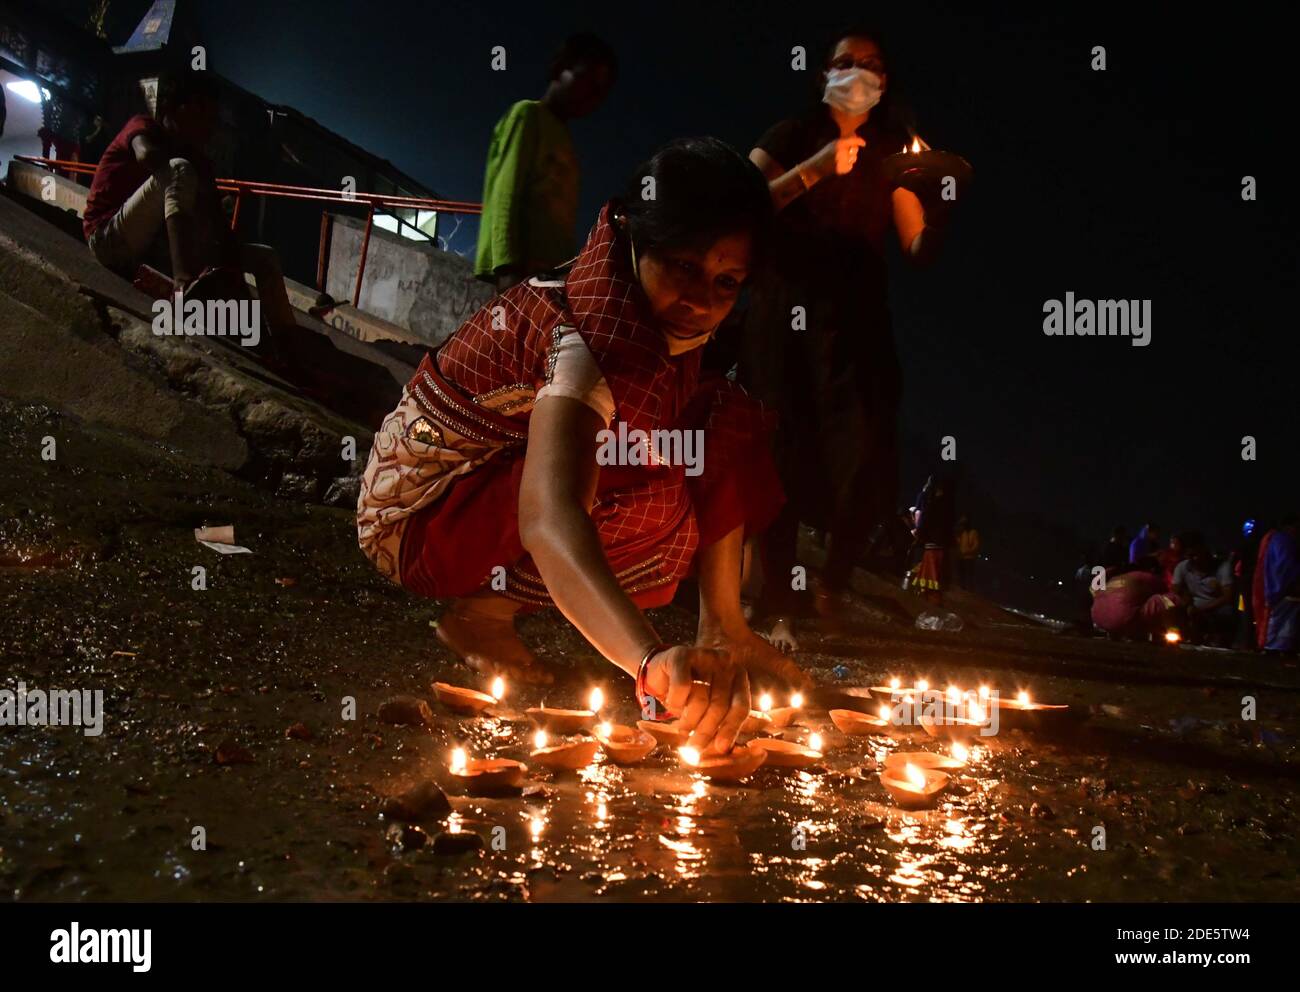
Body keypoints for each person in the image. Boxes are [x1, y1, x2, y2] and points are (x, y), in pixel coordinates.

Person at [358, 139, 809, 756]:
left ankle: (725, 625)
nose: (703, 301)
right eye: (682, 267)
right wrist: (648, 661)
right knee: (659, 492)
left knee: (725, 421)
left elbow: (749, 214)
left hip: (480, 497)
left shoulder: (630, 293)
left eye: (727, 282)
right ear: (636, 238)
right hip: (417, 524)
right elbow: (550, 515)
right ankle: (479, 615)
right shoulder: (587, 346)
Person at [741, 25, 952, 637]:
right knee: (777, 442)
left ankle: (833, 581)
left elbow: (914, 240)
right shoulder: (791, 135)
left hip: (856, 316)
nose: (860, 73)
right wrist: (813, 169)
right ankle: (776, 589)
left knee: (864, 441)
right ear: (824, 73)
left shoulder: (893, 153)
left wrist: (942, 206)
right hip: (784, 308)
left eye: (873, 65)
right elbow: (745, 202)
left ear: (886, 82)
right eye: (846, 62)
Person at [82, 71, 298, 338]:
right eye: (203, 113)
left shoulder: (200, 161)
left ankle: (287, 338)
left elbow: (221, 232)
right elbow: (145, 154)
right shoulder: (145, 127)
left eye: (213, 118)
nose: (210, 126)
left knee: (264, 256)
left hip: (149, 250)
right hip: (109, 239)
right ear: (179, 108)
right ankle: (182, 285)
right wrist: (187, 172)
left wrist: (246, 307)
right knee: (178, 170)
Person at [474, 34, 617, 292]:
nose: (592, 96)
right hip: (519, 272)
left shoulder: (566, 140)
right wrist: (507, 267)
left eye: (600, 91)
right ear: (560, 68)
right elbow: (506, 193)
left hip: (549, 273)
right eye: (586, 79)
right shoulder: (528, 115)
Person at [1170, 533, 1235, 646]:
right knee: (1171, 606)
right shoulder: (1183, 567)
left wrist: (1203, 609)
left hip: (1215, 607)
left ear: (1204, 550)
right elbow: (1175, 590)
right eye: (1189, 555)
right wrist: (1188, 602)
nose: (1193, 559)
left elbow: (1228, 596)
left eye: (1195, 555)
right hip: (1193, 607)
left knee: (1227, 612)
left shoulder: (1223, 567)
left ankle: (1218, 639)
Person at [1256, 513, 1300, 654]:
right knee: (1283, 623)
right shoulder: (1283, 540)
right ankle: (1276, 649)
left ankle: (1275, 648)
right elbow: (1285, 565)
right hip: (1283, 589)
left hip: (1276, 588)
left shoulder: (1274, 539)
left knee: (1281, 623)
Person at [956, 514, 980, 590]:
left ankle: (970, 589)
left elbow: (976, 545)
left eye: (964, 524)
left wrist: (968, 551)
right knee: (961, 574)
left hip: (969, 558)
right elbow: (958, 543)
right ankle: (962, 587)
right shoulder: (962, 533)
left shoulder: (973, 532)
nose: (963, 525)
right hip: (961, 557)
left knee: (969, 575)